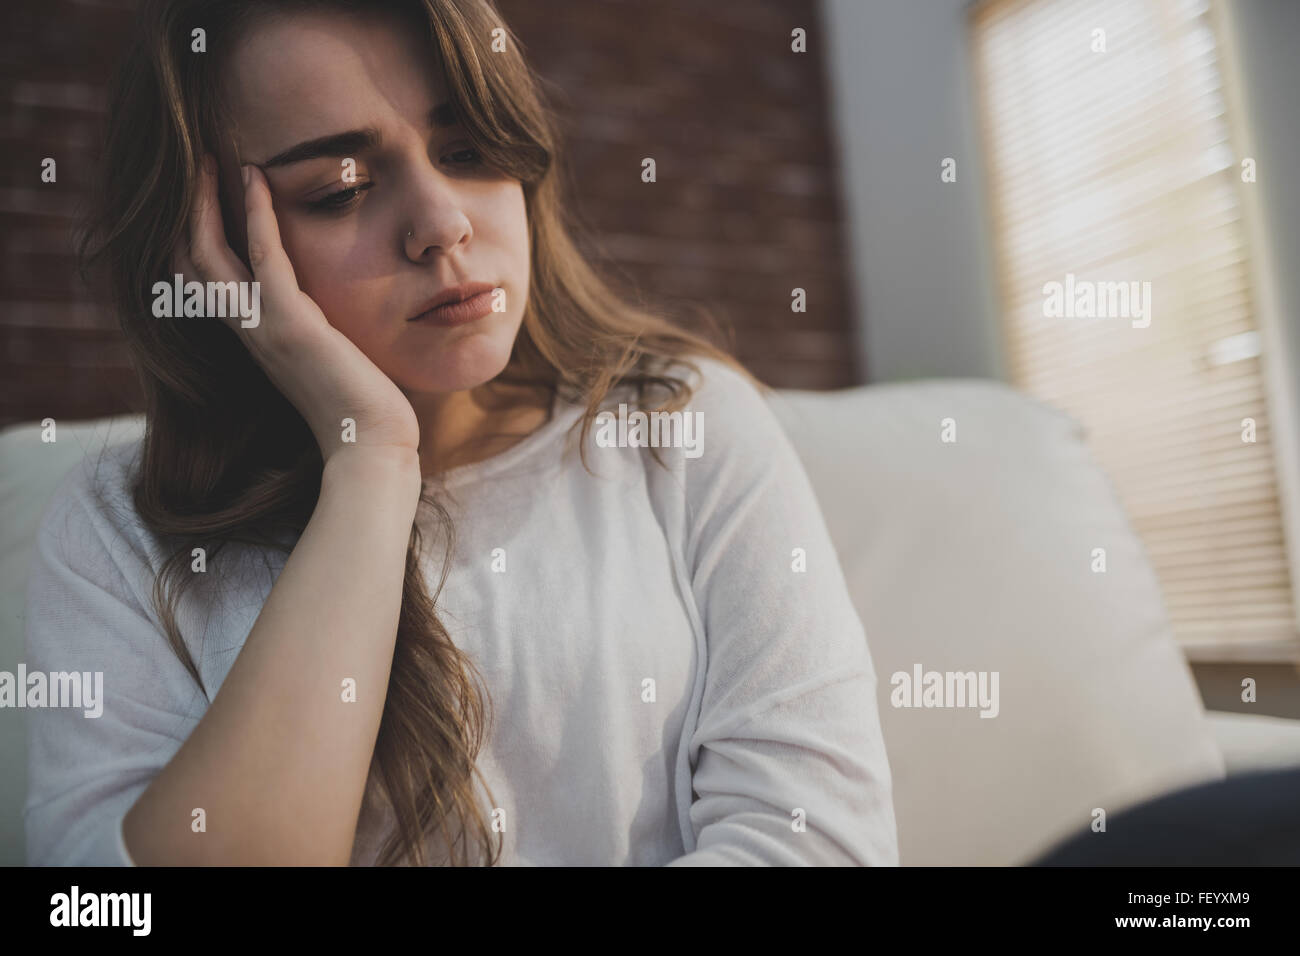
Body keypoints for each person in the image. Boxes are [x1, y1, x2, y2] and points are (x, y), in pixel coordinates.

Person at [23, 0, 898, 866]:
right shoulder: (115, 533)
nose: (443, 224)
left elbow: (819, 843)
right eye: (340, 190)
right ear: (205, 241)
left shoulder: (683, 423)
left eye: (469, 149)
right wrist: (368, 462)